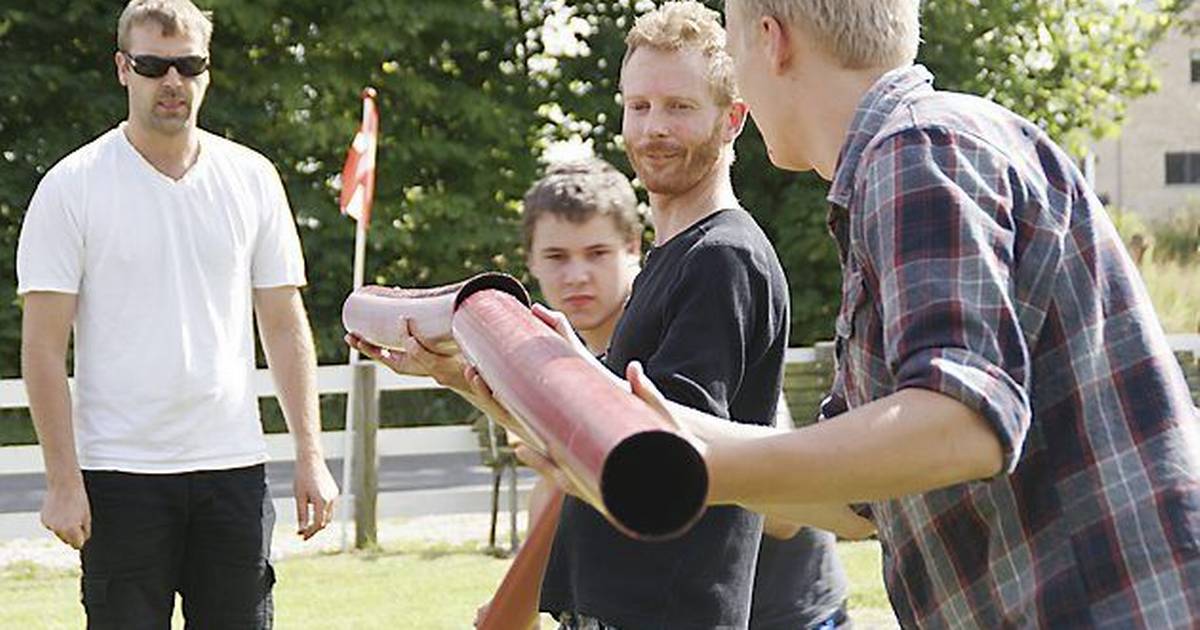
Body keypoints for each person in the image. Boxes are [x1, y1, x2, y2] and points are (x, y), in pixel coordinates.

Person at [566, 0, 1200, 627]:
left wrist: (693, 466)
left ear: (770, 40)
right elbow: (853, 504)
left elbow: (963, 422)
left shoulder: (919, 148)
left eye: (732, 47)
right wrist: (614, 421)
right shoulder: (896, 167)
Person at [16, 0, 338, 626]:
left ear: (207, 71)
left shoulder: (252, 178)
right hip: (119, 475)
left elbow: (282, 322)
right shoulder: (71, 185)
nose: (172, 81)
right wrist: (62, 479)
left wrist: (311, 456)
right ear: (122, 69)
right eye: (154, 64)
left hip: (233, 470)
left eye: (188, 65)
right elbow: (43, 348)